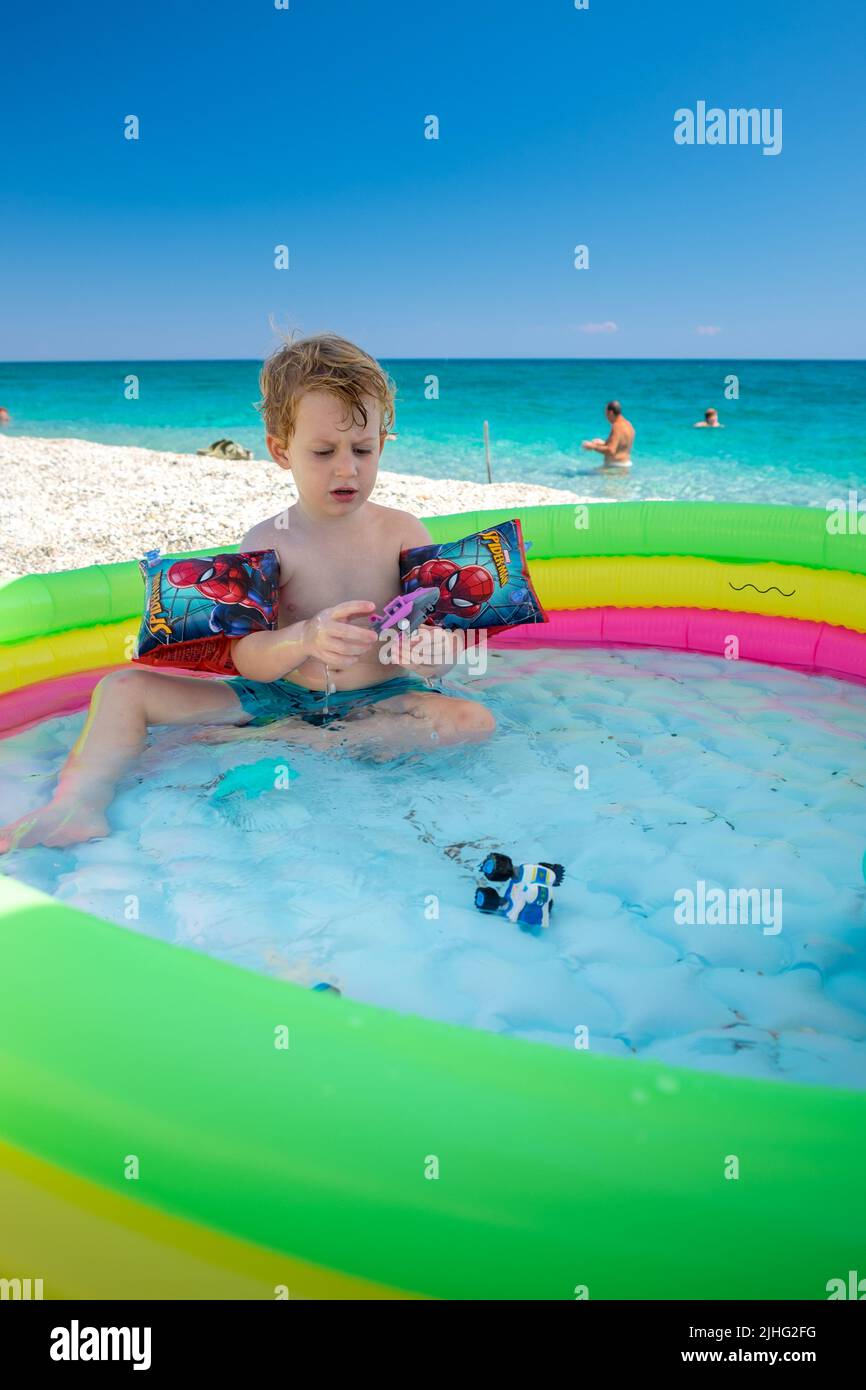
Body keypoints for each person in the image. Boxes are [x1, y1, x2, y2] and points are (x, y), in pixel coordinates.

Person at [0, 333, 495, 851]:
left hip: (384, 698)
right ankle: (77, 805)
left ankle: (311, 742)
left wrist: (436, 652)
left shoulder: (404, 532)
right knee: (123, 689)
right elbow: (249, 658)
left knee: (472, 719)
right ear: (281, 451)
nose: (346, 467)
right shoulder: (270, 541)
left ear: (383, 447)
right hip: (278, 695)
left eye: (363, 449)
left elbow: (440, 647)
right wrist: (304, 638)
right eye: (323, 451)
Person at [581, 400, 634, 469]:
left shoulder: (617, 426)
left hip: (615, 468)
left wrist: (593, 447)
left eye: (606, 414)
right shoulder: (629, 425)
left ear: (611, 413)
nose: (606, 417)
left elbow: (611, 451)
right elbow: (621, 446)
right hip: (626, 465)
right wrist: (603, 443)